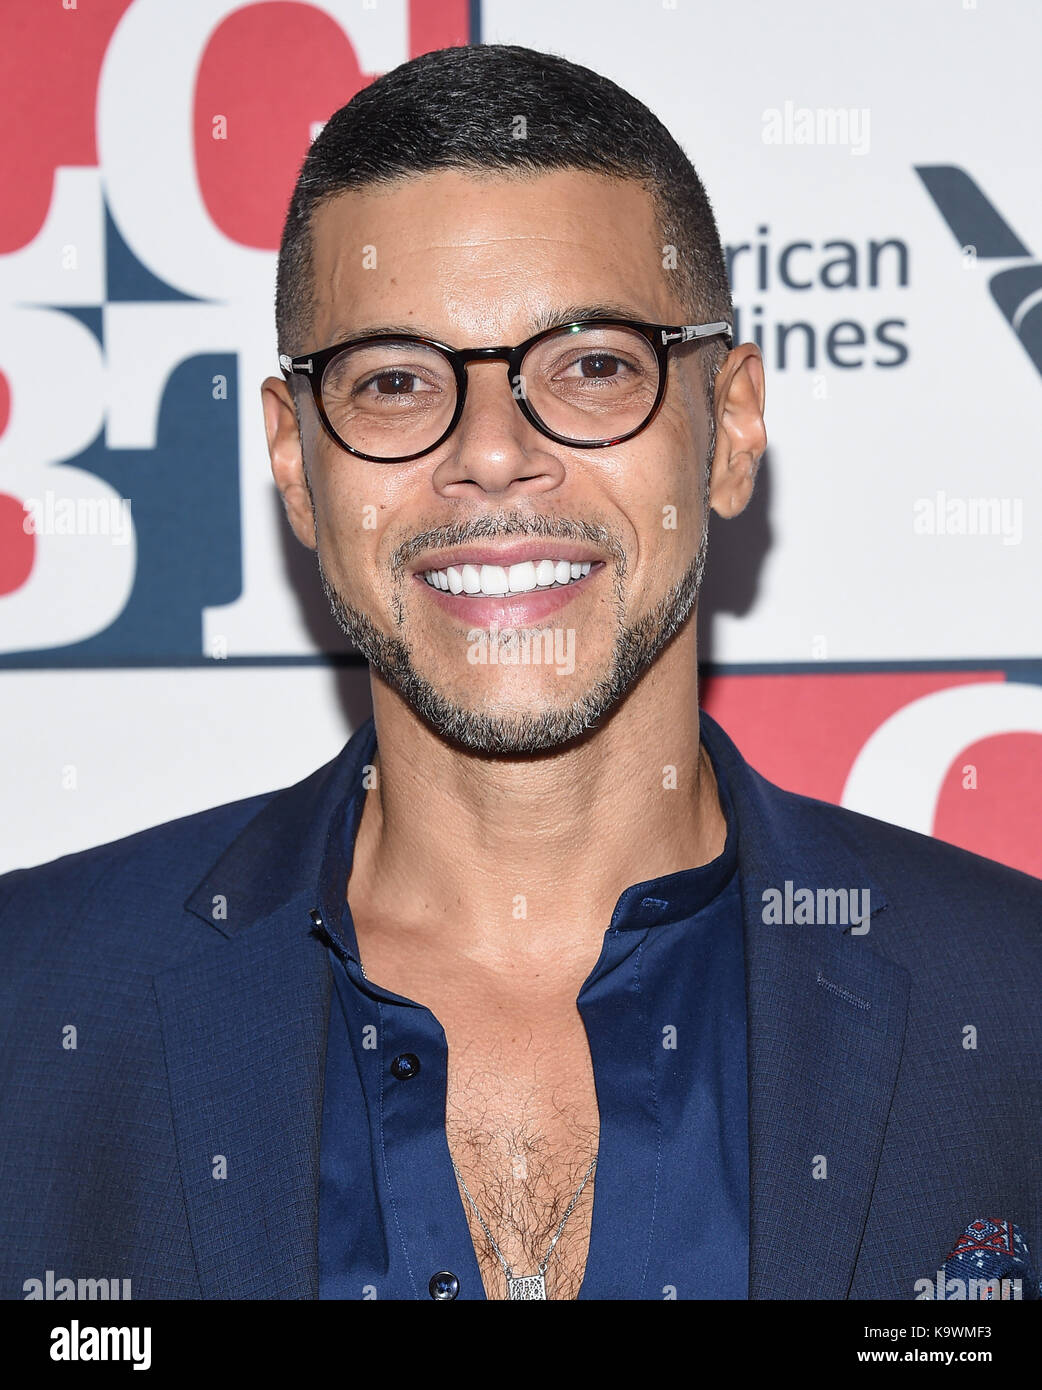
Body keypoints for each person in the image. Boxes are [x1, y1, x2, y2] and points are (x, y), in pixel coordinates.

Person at [1, 43, 1040, 1304]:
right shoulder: (32, 1008)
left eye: (592, 365)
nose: (492, 454)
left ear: (731, 426)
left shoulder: (1010, 1007)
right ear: (294, 463)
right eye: (394, 381)